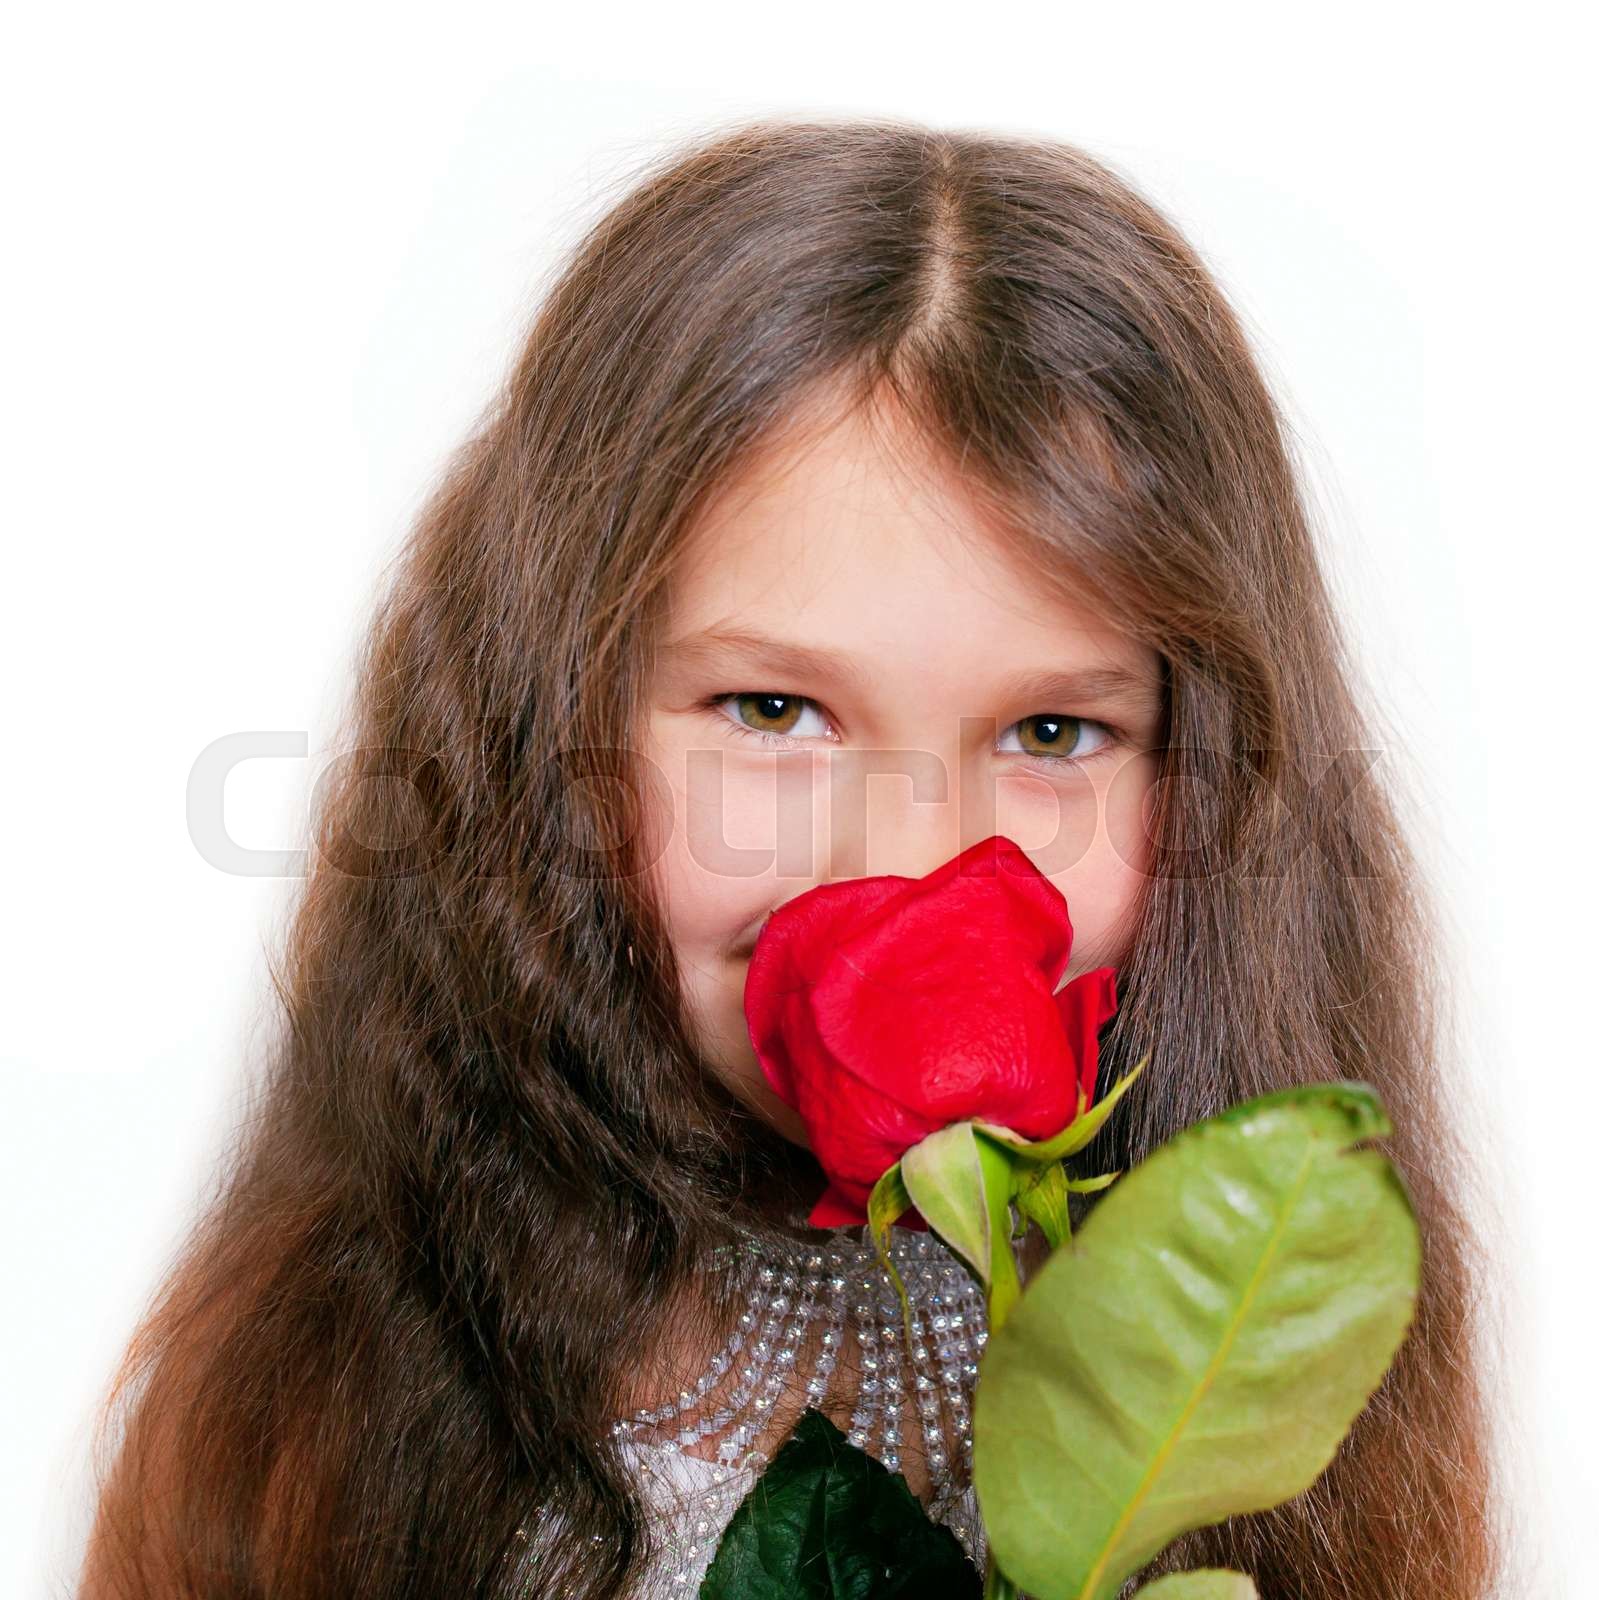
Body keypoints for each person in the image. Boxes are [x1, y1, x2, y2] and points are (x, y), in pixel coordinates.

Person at [77, 115, 1504, 1598]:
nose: (905, 863)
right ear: (547, 728)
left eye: (1054, 733)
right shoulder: (338, 1379)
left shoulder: (1260, 1407)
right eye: (773, 711)